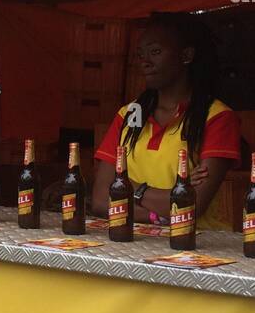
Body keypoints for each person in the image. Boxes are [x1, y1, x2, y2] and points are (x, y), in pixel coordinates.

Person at [90, 12, 242, 228]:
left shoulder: (217, 117)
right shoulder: (129, 114)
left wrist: (128, 188)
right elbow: (99, 200)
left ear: (186, 55)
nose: (145, 62)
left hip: (195, 248)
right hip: (130, 241)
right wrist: (157, 216)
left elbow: (192, 205)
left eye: (156, 52)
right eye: (141, 55)